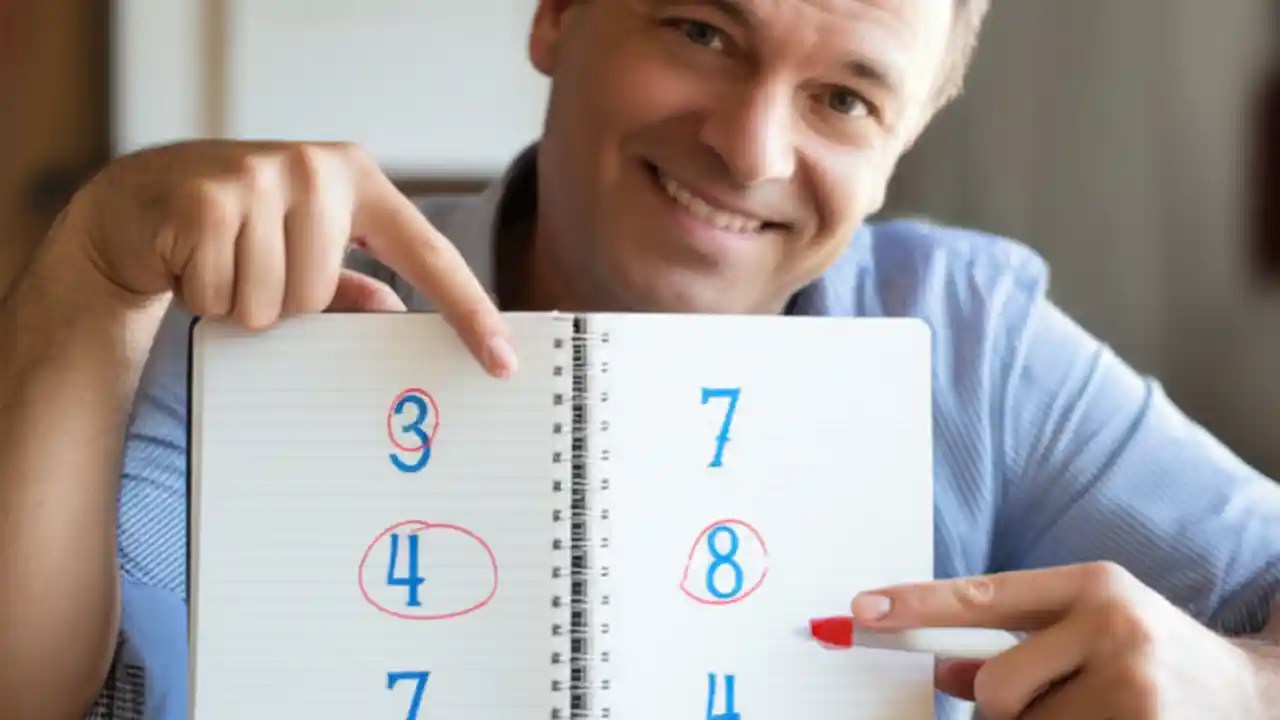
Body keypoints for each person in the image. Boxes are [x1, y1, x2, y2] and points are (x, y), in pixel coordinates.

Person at [2, 0, 1279, 717]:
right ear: (556, 16)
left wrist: (1234, 686)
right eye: (701, 31)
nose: (747, 146)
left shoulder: (967, 340)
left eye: (843, 98)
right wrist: (91, 275)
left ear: (906, 140)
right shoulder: (264, 306)